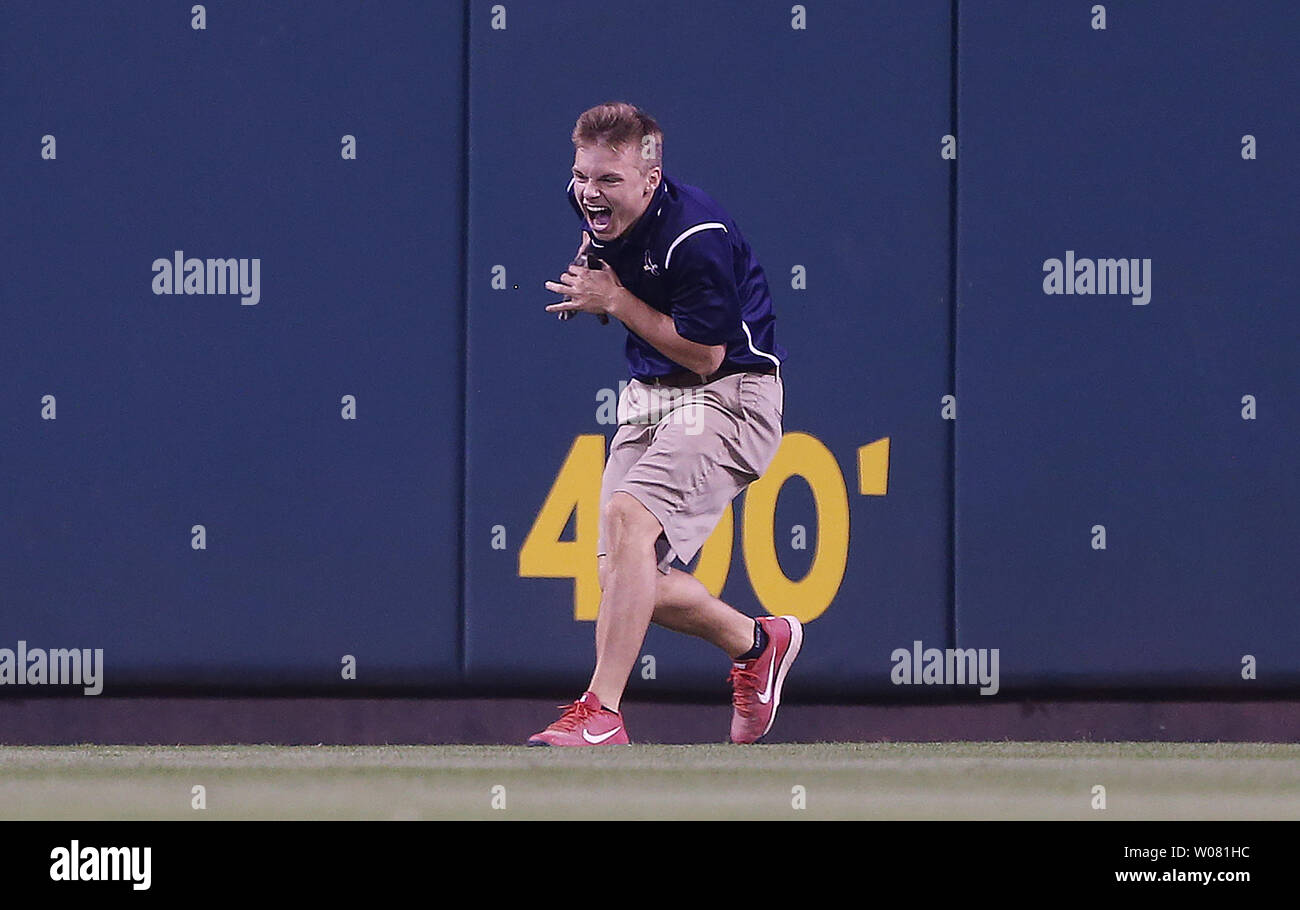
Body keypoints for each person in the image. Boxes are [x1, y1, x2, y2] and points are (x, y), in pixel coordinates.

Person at [530, 102, 801, 746]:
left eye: (609, 181)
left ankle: (600, 713)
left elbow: (707, 356)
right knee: (622, 574)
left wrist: (616, 301)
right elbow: (605, 250)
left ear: (650, 180)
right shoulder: (593, 204)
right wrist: (590, 286)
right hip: (650, 397)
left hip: (730, 396)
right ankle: (756, 642)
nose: (591, 193)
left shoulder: (694, 235)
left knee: (627, 518)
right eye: (582, 175)